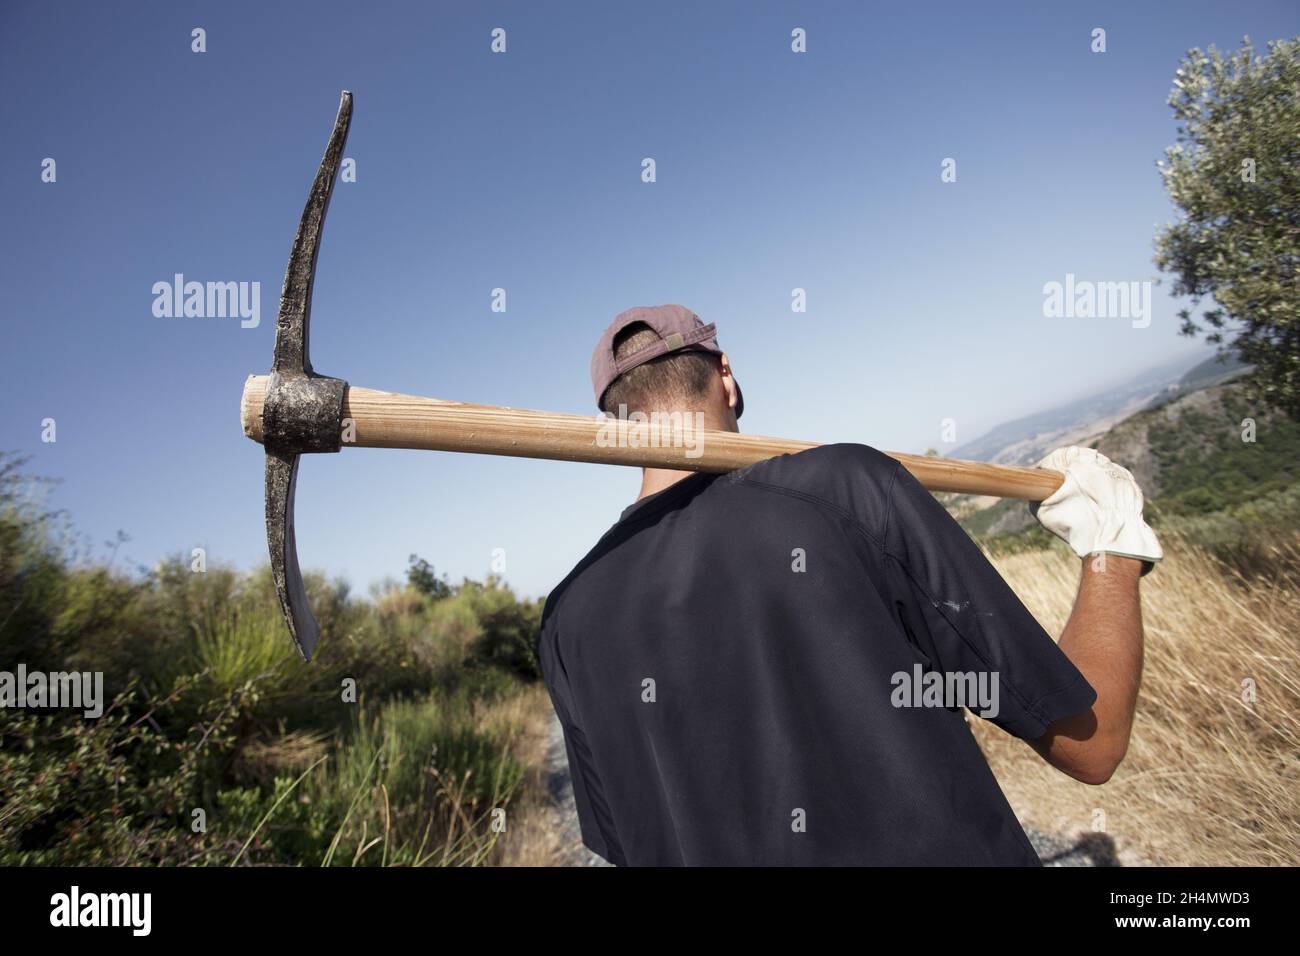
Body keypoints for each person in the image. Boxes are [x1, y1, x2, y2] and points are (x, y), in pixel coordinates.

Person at [537, 304, 1163, 866]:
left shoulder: (567, 617)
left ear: (616, 419)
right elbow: (1092, 742)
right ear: (725, 373)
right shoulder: (845, 489)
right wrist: (1110, 545)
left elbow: (628, 844)